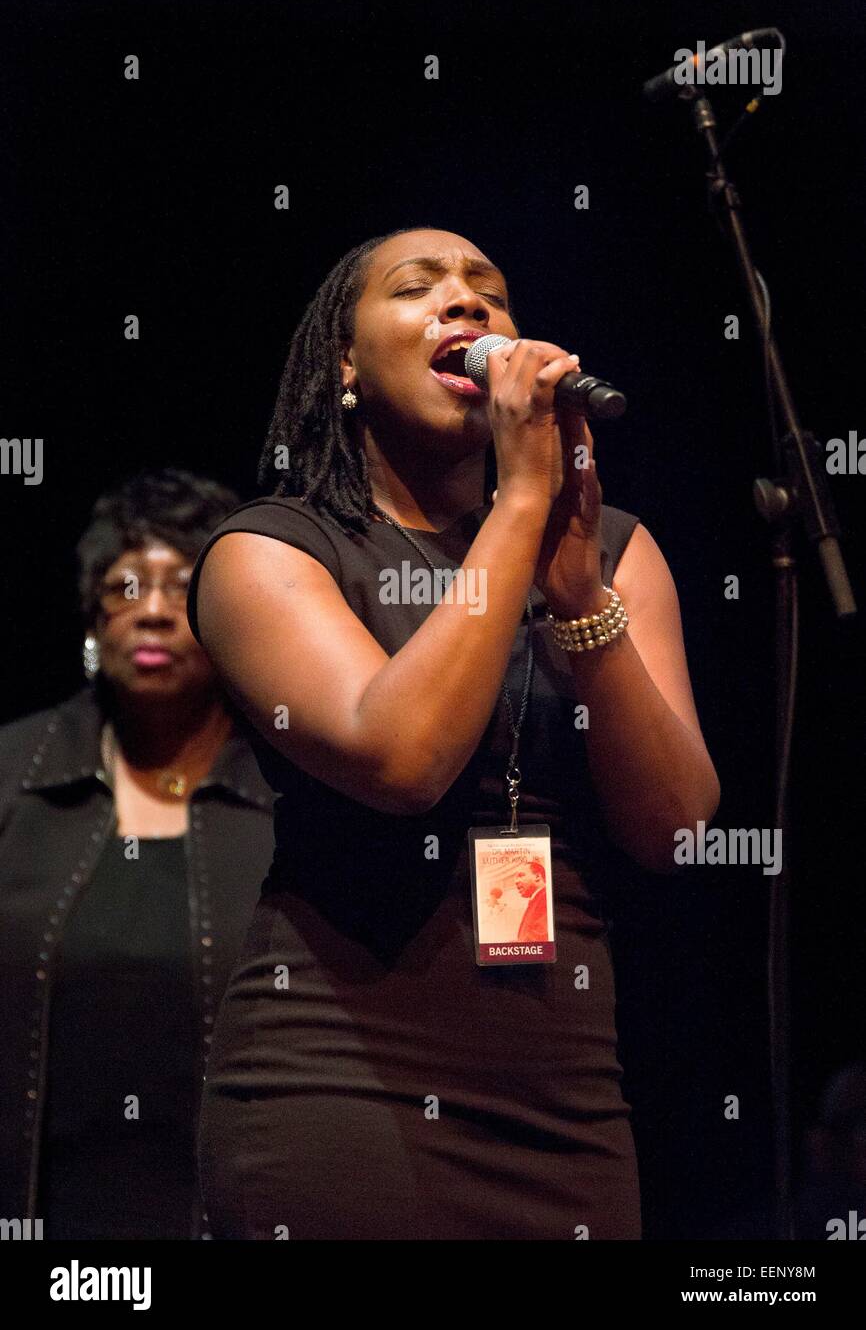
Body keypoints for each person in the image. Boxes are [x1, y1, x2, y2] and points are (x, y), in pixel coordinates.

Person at [188, 226, 720, 1240]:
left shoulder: (610, 549)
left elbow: (677, 829)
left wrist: (576, 601)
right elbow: (403, 760)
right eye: (418, 287)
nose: (466, 303)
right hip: (338, 1091)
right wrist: (520, 501)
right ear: (343, 365)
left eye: (489, 290)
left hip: (569, 1110)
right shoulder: (270, 551)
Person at [0, 469, 275, 1239]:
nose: (152, 613)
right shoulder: (13, 777)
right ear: (91, 620)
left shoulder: (295, 795)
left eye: (181, 590)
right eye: (126, 588)